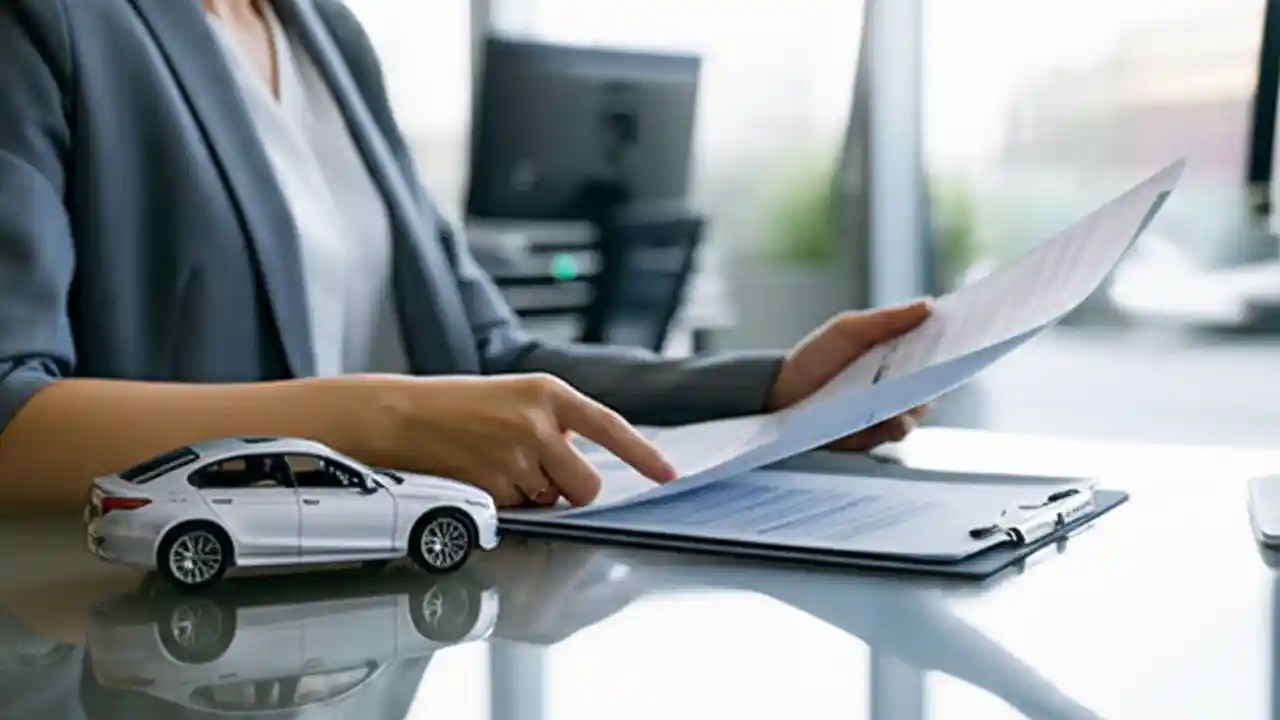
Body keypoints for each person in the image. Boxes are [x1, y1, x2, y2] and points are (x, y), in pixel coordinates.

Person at [0, 0, 930, 515]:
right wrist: (385, 420)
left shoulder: (325, 33)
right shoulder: (47, 21)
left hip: (368, 625)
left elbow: (484, 356)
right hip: (139, 643)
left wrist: (774, 391)